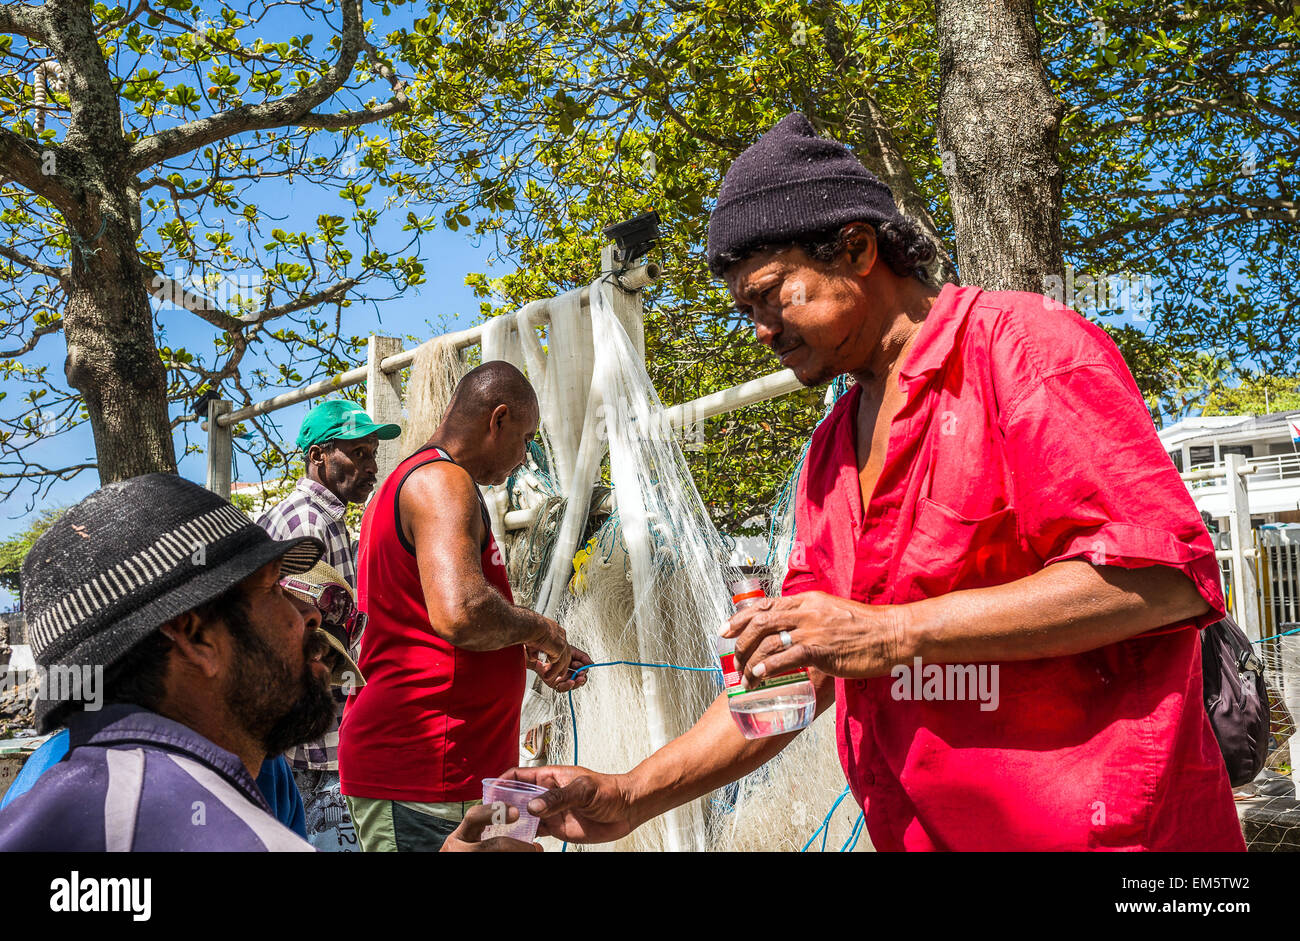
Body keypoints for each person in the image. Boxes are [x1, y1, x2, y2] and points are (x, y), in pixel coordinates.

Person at [506, 113, 1245, 852]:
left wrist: (894, 631)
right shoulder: (830, 454)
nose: (762, 328)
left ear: (857, 249)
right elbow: (796, 676)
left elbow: (1165, 580)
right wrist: (630, 793)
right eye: (746, 311)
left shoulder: (1026, 350)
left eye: (771, 294)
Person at [0, 473, 331, 851]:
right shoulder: (248, 842)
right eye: (272, 588)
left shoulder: (29, 821)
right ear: (196, 637)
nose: (308, 617)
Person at [339, 361, 591, 851]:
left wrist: (519, 652)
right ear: (497, 419)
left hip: (463, 772)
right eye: (525, 438)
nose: (524, 457)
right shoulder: (440, 482)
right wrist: (542, 630)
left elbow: (421, 624)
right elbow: (461, 612)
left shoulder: (415, 482)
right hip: (424, 771)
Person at [257, 397, 400, 851]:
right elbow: (303, 642)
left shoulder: (315, 518)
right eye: (358, 454)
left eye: (374, 453)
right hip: (316, 747)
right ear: (318, 456)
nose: (371, 466)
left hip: (303, 742)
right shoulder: (309, 523)